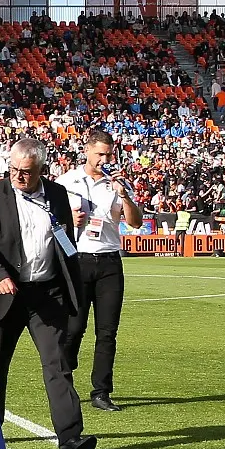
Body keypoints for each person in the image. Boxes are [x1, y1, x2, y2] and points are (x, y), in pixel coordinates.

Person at [0, 137, 96, 449]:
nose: (18, 176)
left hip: (47, 294)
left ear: (41, 169)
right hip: (7, 292)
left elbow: (63, 240)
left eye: (26, 171)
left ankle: (70, 437)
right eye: (13, 169)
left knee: (58, 364)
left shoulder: (57, 194)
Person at [57, 128, 143, 412]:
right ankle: (64, 379)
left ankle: (101, 392)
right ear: (87, 150)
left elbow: (135, 223)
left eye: (108, 154)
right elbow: (49, 221)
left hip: (109, 261)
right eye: (99, 154)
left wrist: (125, 197)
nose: (104, 160)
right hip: (77, 259)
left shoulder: (117, 184)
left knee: (107, 332)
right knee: (74, 328)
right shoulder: (66, 181)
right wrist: (68, 219)